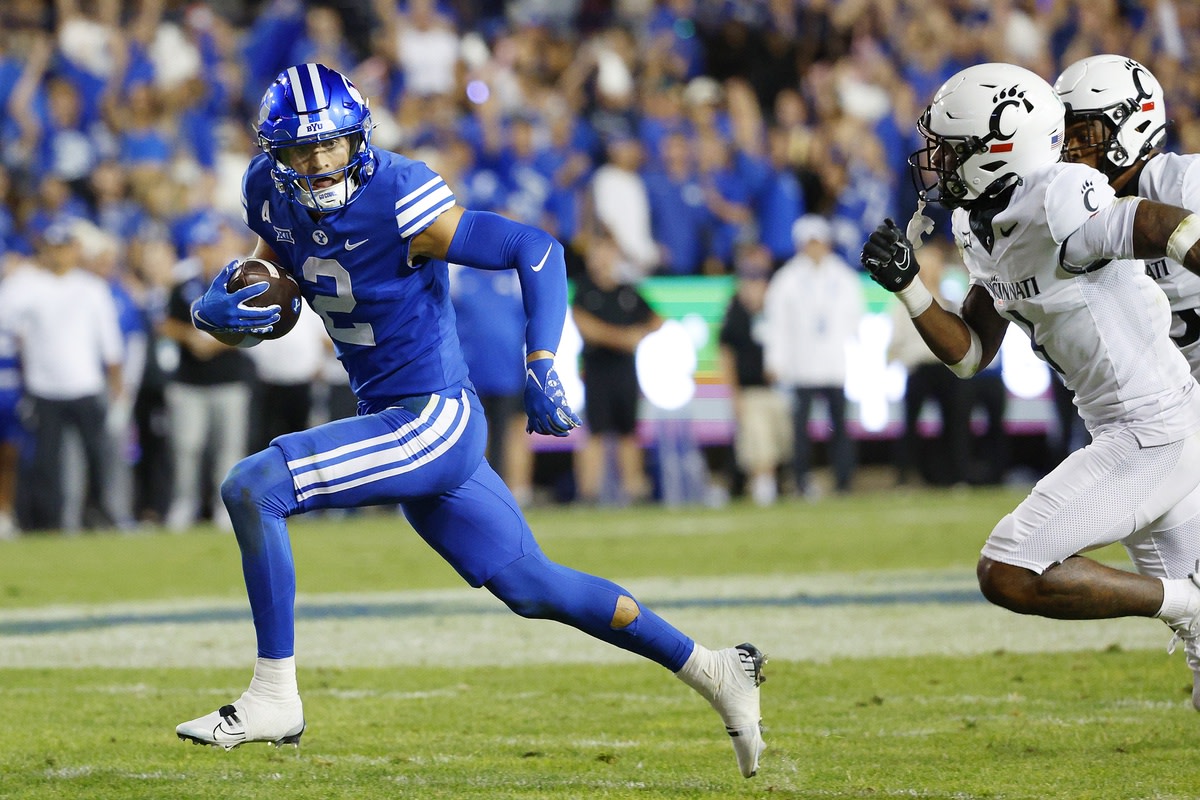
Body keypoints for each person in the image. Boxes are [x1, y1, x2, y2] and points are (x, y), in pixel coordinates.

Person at [174, 63, 766, 779]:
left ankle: (275, 696)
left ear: (359, 136)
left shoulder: (399, 195)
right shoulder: (269, 194)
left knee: (252, 484)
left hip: (430, 417)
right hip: (392, 416)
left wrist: (542, 357)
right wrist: (226, 314)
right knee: (533, 587)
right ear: (277, 156)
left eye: (331, 145)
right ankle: (714, 669)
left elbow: (535, 249)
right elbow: (288, 276)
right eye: (302, 151)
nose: (319, 162)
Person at [860, 62, 1200, 711]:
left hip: (1150, 431)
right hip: (1132, 431)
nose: (938, 161)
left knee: (1010, 568)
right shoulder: (977, 221)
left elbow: (1151, 223)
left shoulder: (1058, 195)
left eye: (952, 149)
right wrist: (910, 288)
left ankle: (1187, 604)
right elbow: (970, 354)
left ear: (1001, 147)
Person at [1054, 55, 1200, 380]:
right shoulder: (1072, 208)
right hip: (1166, 403)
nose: (1072, 150)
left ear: (1132, 124)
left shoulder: (1184, 182)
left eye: (1083, 134)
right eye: (1066, 138)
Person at [0, 221, 124, 532]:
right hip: (44, 389)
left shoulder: (91, 287)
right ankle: (49, 522)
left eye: (64, 247)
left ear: (75, 250)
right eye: (53, 247)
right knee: (46, 462)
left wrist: (116, 384)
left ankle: (97, 515)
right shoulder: (27, 284)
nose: (59, 254)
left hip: (86, 385)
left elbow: (109, 340)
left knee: (97, 457)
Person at [160, 214, 255, 532]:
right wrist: (189, 337)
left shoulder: (238, 283)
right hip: (189, 381)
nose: (208, 253)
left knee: (229, 448)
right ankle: (183, 504)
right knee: (187, 447)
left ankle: (224, 508)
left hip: (229, 378)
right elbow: (165, 324)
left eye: (212, 246)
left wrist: (216, 343)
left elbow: (254, 329)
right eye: (202, 247)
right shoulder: (184, 284)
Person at [764, 214, 863, 497]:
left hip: (834, 364)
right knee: (800, 430)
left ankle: (844, 479)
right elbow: (776, 324)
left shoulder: (843, 277)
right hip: (801, 364)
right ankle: (800, 480)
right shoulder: (787, 280)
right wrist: (775, 360)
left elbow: (855, 317)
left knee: (840, 427)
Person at [572, 232, 663, 505]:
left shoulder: (627, 291)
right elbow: (586, 327)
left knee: (628, 431)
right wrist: (624, 339)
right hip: (597, 370)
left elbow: (657, 319)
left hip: (625, 371)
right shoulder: (585, 289)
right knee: (595, 431)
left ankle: (633, 489)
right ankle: (588, 493)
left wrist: (640, 333)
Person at [718, 242, 791, 505]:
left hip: (780, 387)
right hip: (751, 390)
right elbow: (726, 352)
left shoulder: (781, 299)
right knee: (757, 440)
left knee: (782, 441)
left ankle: (775, 485)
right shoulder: (736, 308)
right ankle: (763, 487)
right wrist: (733, 393)